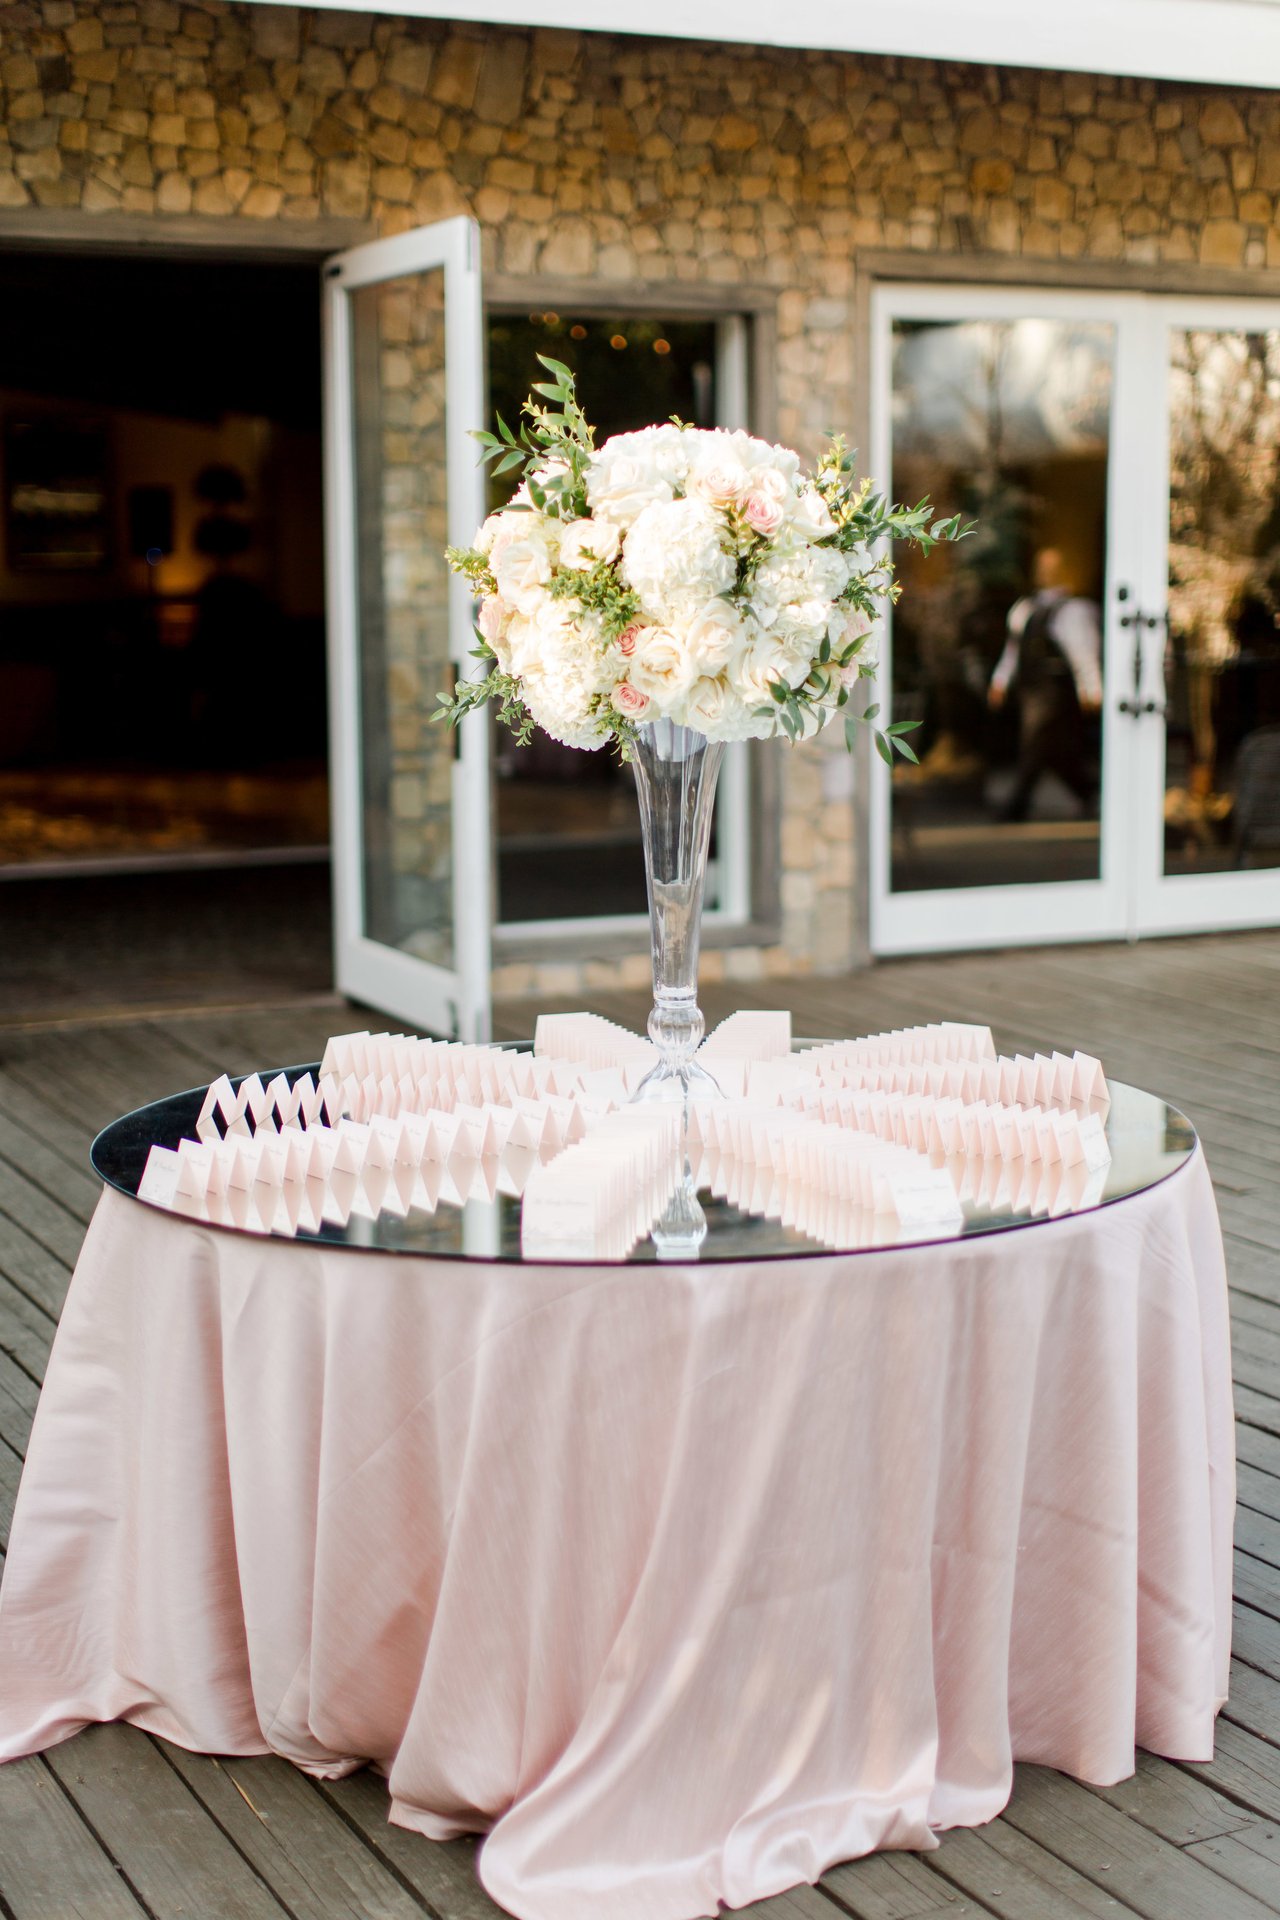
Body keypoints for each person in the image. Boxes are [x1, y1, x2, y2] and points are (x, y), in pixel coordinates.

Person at [988, 547, 1103, 823]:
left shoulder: (1074, 609)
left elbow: (1083, 653)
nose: (1045, 572)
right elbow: (1013, 649)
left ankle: (1017, 805)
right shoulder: (1025, 607)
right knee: (1053, 748)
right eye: (1041, 566)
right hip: (1030, 687)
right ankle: (1088, 793)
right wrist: (1000, 681)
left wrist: (1092, 689)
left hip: (1055, 688)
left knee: (1035, 742)